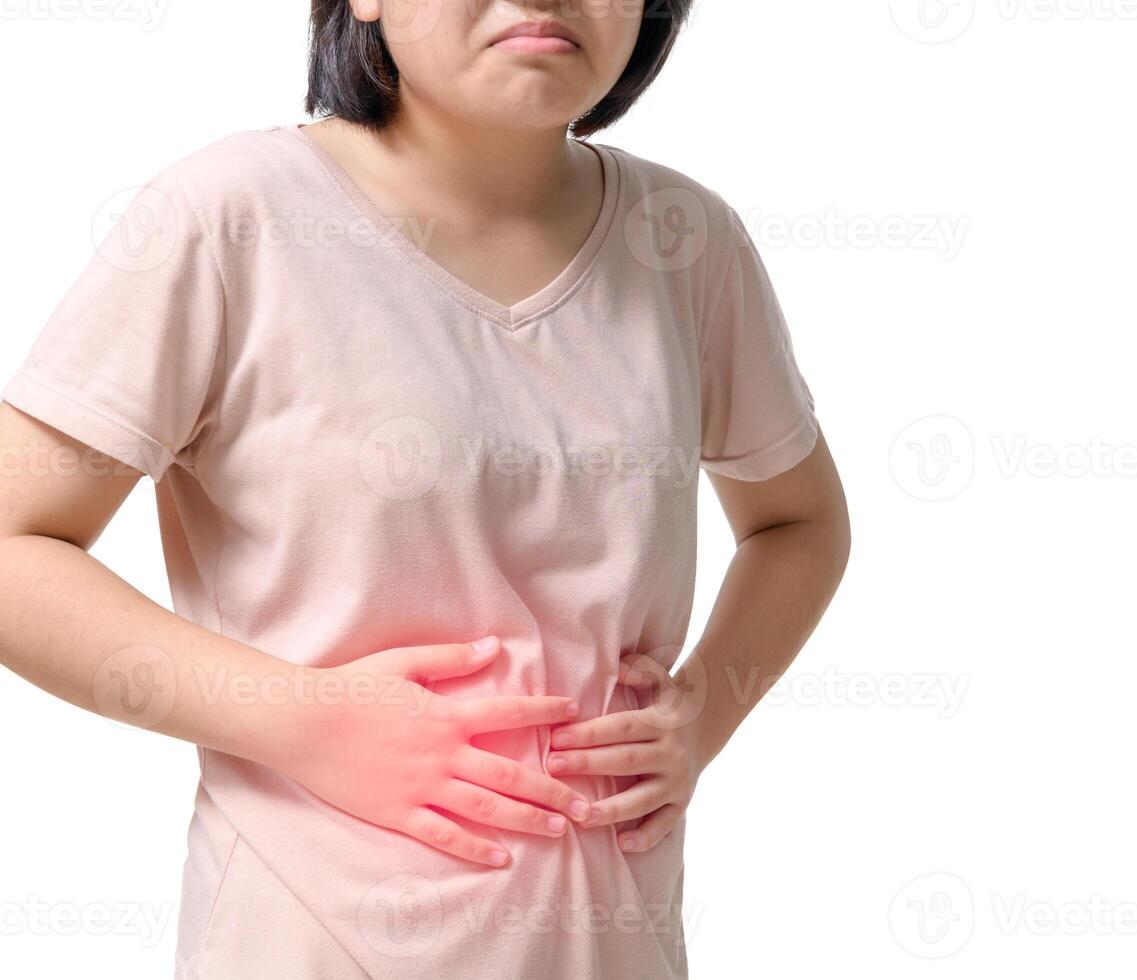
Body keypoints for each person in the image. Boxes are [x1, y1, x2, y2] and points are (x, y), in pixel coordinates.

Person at [0, 1, 849, 977]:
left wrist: (702, 715)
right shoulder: (234, 213)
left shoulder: (686, 241)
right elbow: (13, 541)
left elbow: (799, 520)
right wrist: (305, 719)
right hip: (316, 935)